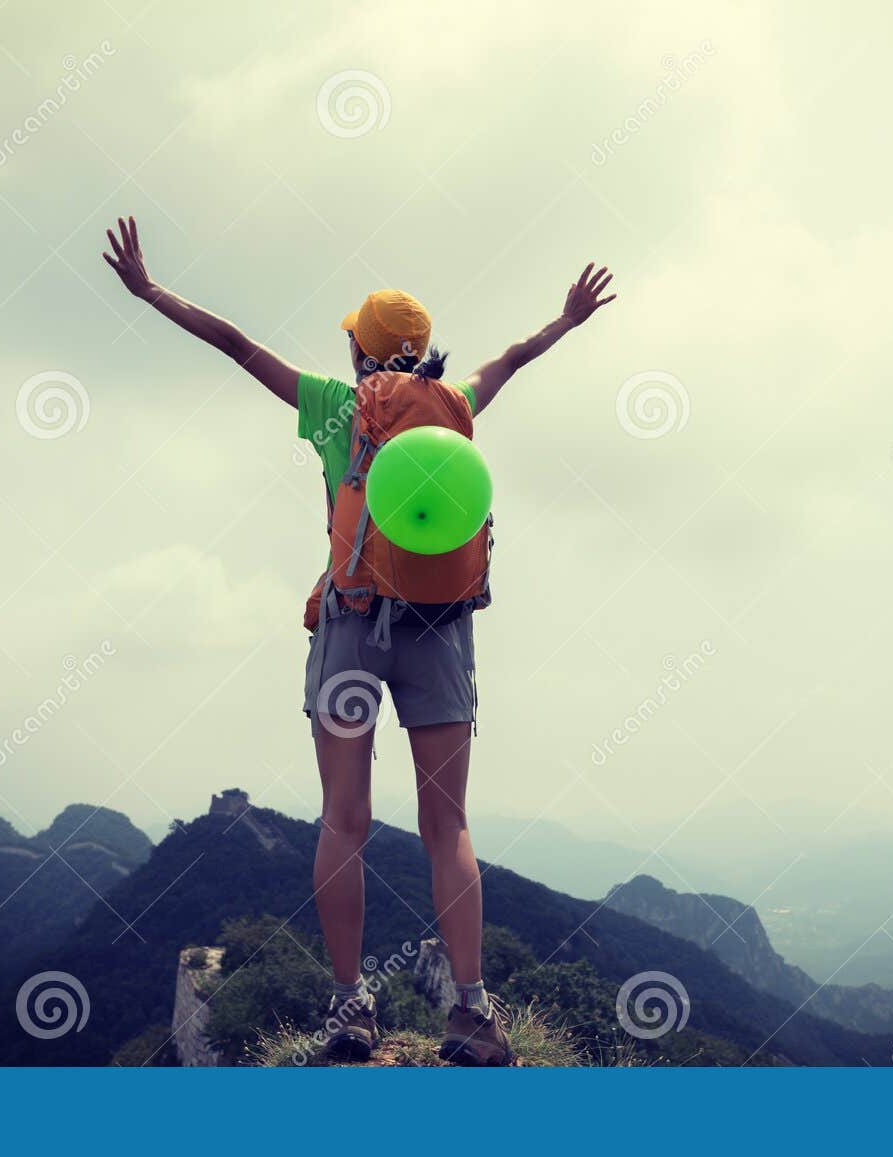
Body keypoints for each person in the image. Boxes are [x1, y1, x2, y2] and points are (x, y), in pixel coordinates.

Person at [103, 216, 616, 1064]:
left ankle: (349, 1011)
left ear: (360, 355)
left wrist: (150, 291)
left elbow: (233, 342)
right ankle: (473, 1012)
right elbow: (511, 360)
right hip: (441, 631)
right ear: (420, 354)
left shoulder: (334, 403)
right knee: (446, 825)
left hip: (349, 626)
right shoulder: (456, 405)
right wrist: (566, 320)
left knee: (344, 820)